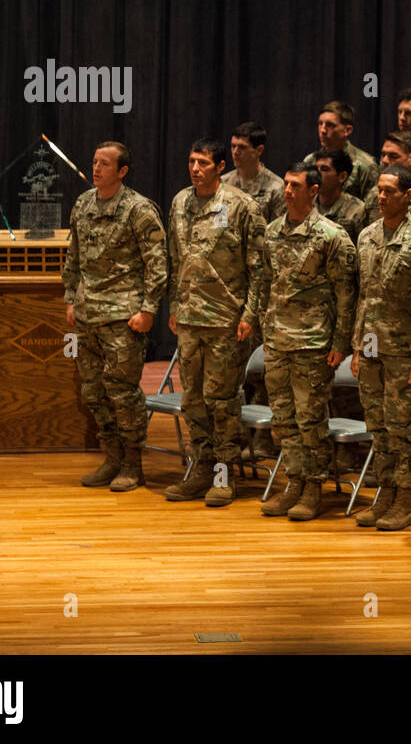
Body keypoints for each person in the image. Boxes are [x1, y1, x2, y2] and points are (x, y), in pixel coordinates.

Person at [163, 137, 266, 506]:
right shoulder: (179, 202)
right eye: (191, 161)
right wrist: (175, 304)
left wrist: (250, 314)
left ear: (220, 167)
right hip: (190, 318)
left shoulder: (241, 207)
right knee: (192, 401)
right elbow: (176, 260)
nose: (195, 169)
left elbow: (259, 266)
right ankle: (201, 470)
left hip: (226, 319)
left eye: (203, 163)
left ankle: (224, 476)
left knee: (221, 402)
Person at [65, 141, 168, 492]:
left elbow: (158, 263)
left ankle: (132, 464)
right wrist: (70, 298)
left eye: (104, 164)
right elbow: (74, 256)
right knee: (94, 393)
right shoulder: (82, 204)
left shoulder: (139, 210)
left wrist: (148, 309)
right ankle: (110, 458)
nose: (96, 168)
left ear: (122, 171)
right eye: (94, 162)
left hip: (124, 318)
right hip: (88, 313)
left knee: (122, 393)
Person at [259, 162, 357, 519]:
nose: (287, 190)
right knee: (283, 420)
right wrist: (264, 330)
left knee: (310, 419)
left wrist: (340, 343)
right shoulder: (272, 232)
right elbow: (264, 284)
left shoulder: (331, 236)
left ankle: (313, 488)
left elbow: (346, 294)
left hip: (313, 342)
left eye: (295, 185)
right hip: (278, 339)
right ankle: (293, 482)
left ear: (313, 191)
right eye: (285, 184)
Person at [351, 164, 411, 530]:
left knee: (403, 429)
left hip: (406, 353)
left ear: (408, 196)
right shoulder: (367, 237)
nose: (381, 196)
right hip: (373, 349)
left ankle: (405, 502)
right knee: (378, 427)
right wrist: (359, 347)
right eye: (379, 189)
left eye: (390, 191)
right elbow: (365, 298)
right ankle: (385, 494)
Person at [222, 121, 287, 222]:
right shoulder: (223, 183)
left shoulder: (276, 187)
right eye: (233, 146)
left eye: (242, 147)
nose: (235, 152)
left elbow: (278, 229)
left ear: (259, 150)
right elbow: (219, 223)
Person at [316, 100, 378, 198]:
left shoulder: (366, 165)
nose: (323, 130)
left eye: (330, 125)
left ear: (347, 130)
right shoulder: (311, 160)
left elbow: (373, 206)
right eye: (320, 124)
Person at [312, 148, 366, 244]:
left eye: (325, 169)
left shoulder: (357, 210)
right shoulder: (306, 203)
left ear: (342, 177)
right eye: (316, 169)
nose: (317, 174)